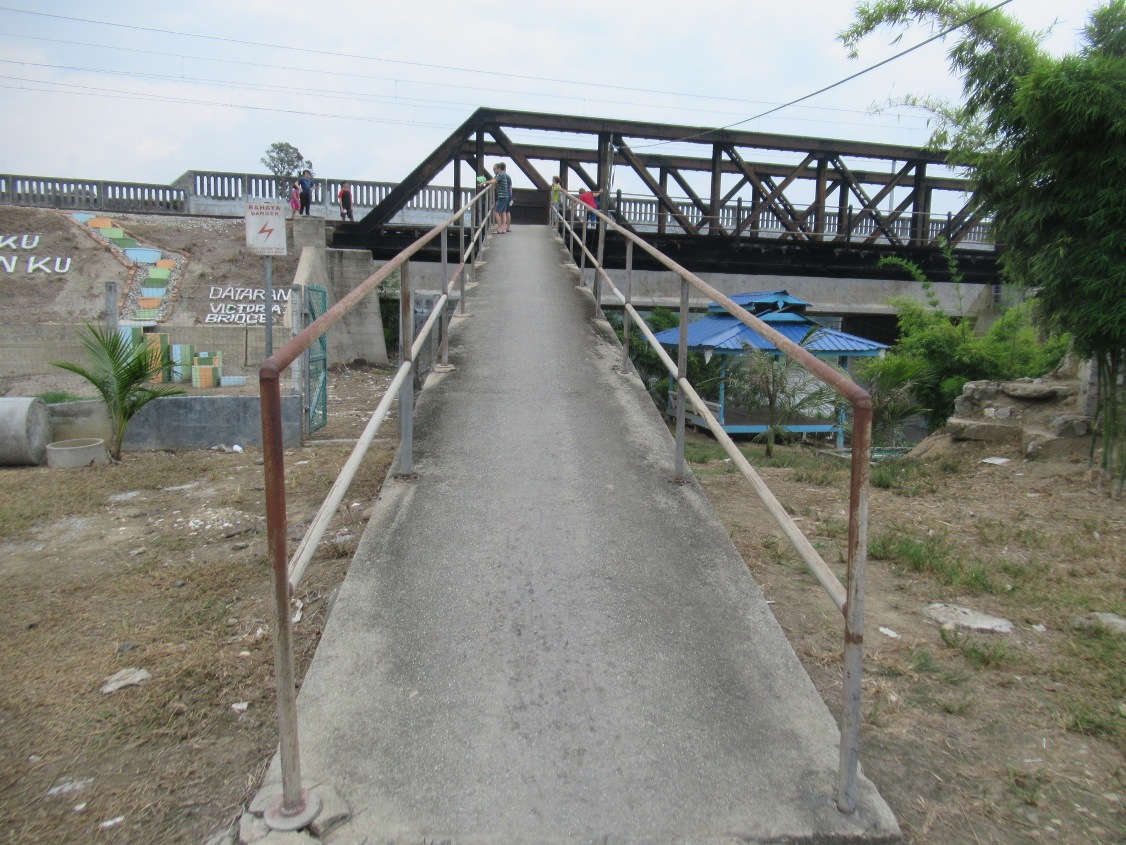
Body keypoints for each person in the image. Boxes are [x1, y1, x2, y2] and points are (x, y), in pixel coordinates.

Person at [483, 162, 512, 233]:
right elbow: (510, 187)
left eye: (494, 169)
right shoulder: (505, 176)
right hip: (507, 196)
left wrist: (484, 182)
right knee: (504, 212)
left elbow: (494, 181)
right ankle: (504, 228)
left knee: (496, 212)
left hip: (502, 197)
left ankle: (499, 228)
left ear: (499, 168)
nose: (494, 171)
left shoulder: (500, 175)